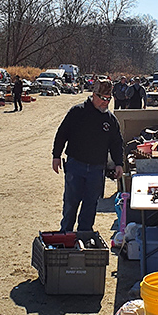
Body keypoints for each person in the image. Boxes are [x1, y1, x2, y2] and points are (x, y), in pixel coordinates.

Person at [51, 78, 124, 233]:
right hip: (76, 165)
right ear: (94, 95)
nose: (106, 102)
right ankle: (66, 233)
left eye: (109, 99)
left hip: (97, 169)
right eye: (103, 98)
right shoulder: (77, 112)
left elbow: (116, 143)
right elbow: (62, 134)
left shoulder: (110, 120)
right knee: (71, 203)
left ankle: (84, 233)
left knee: (91, 204)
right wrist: (56, 155)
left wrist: (119, 163)